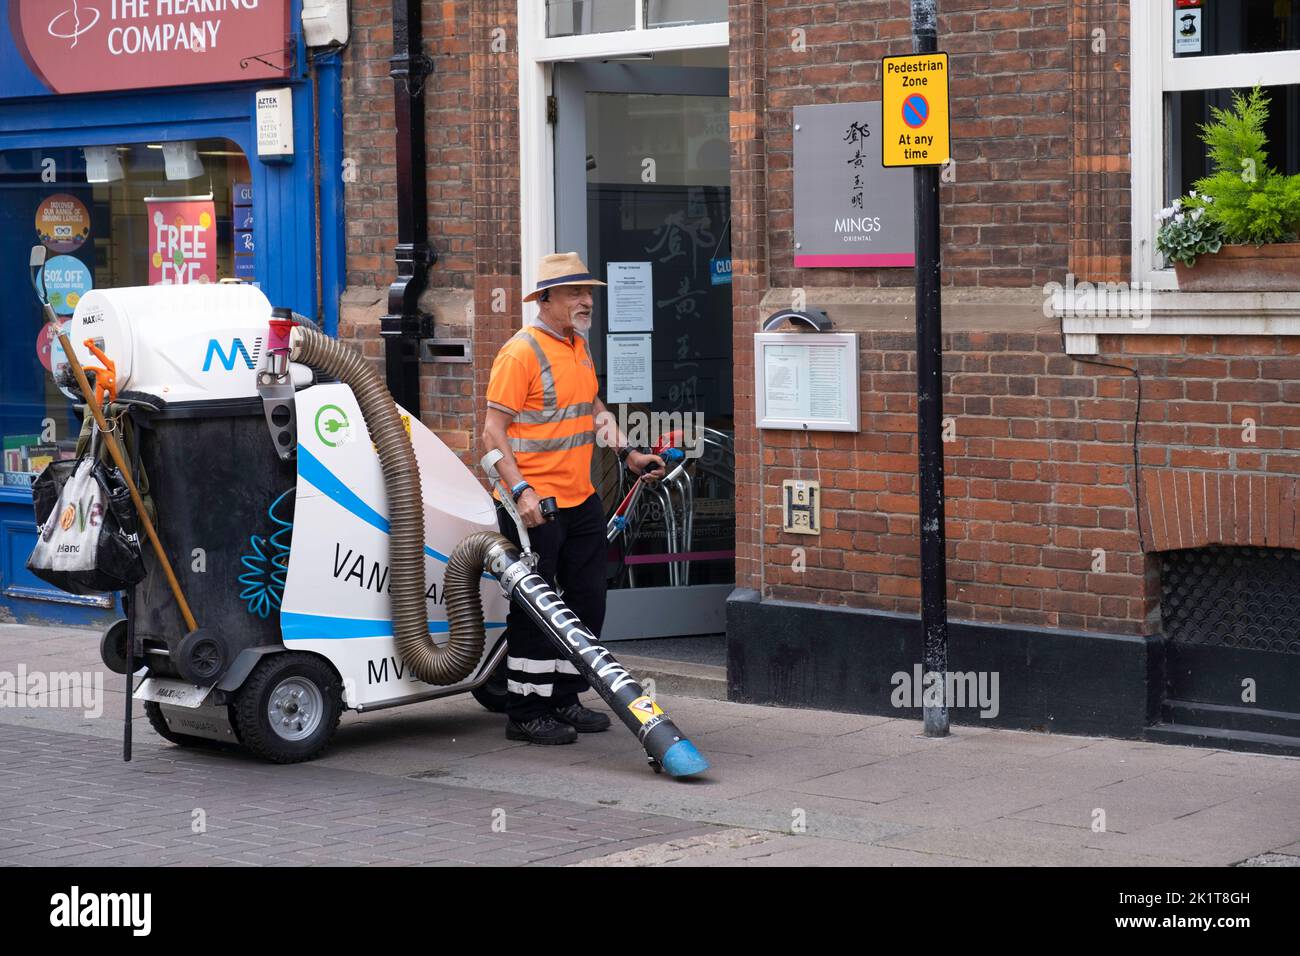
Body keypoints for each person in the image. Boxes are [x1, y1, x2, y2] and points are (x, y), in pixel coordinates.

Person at [482, 252, 665, 744]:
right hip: (533, 504)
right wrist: (519, 491)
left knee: (586, 599)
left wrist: (626, 450)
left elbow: (592, 407)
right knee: (537, 607)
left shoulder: (578, 345)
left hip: (580, 498)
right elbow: (491, 431)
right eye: (574, 293)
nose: (587, 301)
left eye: (589, 292)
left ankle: (564, 697)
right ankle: (525, 709)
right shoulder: (520, 353)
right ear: (545, 299)